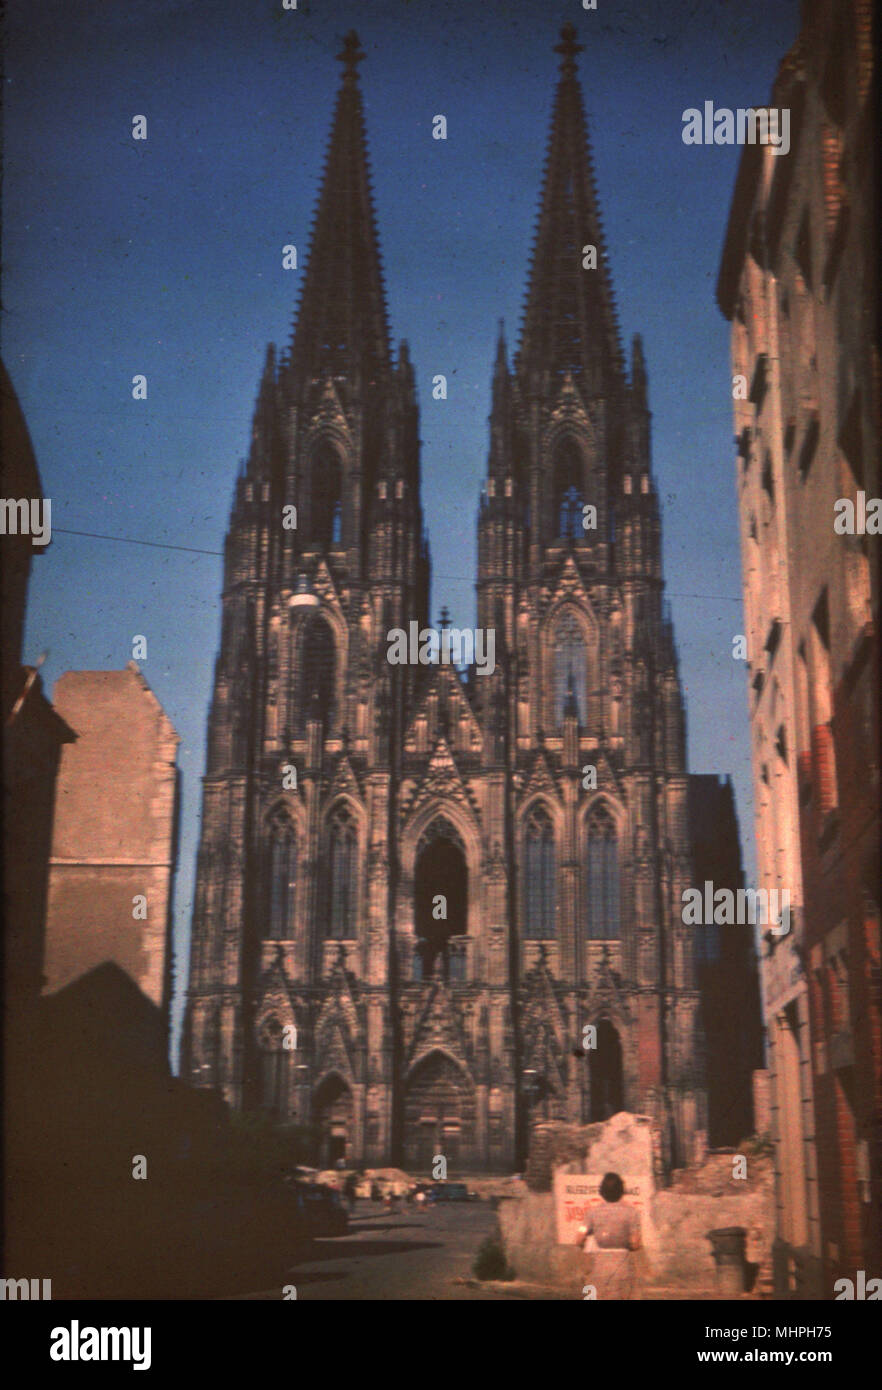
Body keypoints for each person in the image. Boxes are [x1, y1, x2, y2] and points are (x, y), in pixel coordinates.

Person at [578, 1171, 642, 1300]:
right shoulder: (632, 1212)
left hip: (599, 1266)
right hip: (623, 1265)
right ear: (621, 1191)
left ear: (602, 1191)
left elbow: (579, 1239)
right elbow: (635, 1244)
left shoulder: (591, 1213)